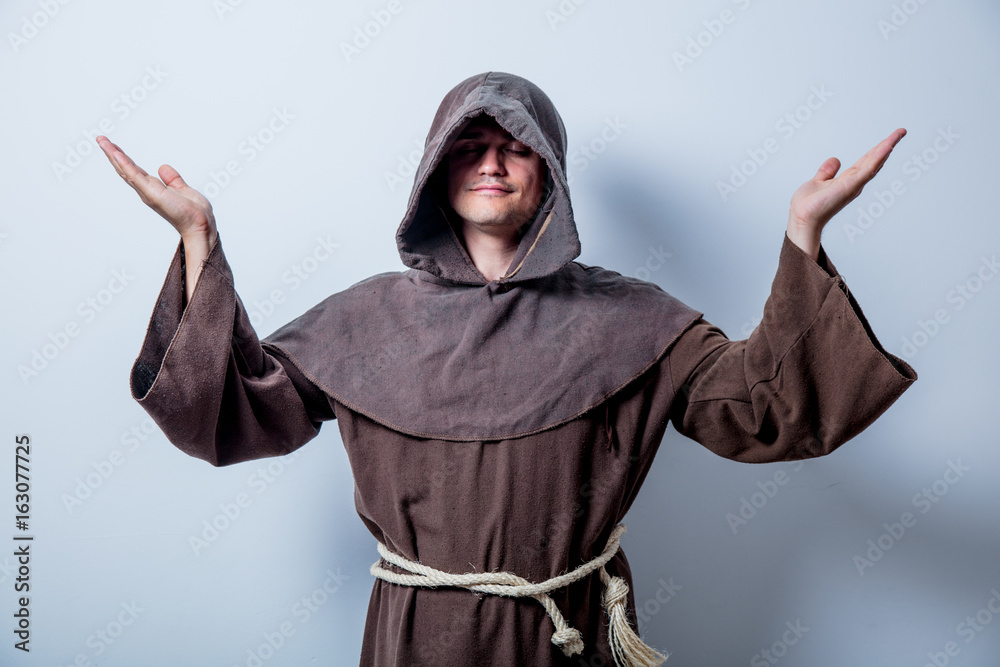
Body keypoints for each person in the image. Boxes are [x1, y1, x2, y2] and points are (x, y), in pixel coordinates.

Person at [97, 71, 917, 666]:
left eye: (516, 146)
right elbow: (236, 407)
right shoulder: (364, 320)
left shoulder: (632, 319)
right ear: (438, 172)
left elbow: (765, 409)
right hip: (416, 643)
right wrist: (199, 237)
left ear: (549, 172)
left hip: (567, 637)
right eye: (473, 146)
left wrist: (803, 234)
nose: (493, 162)